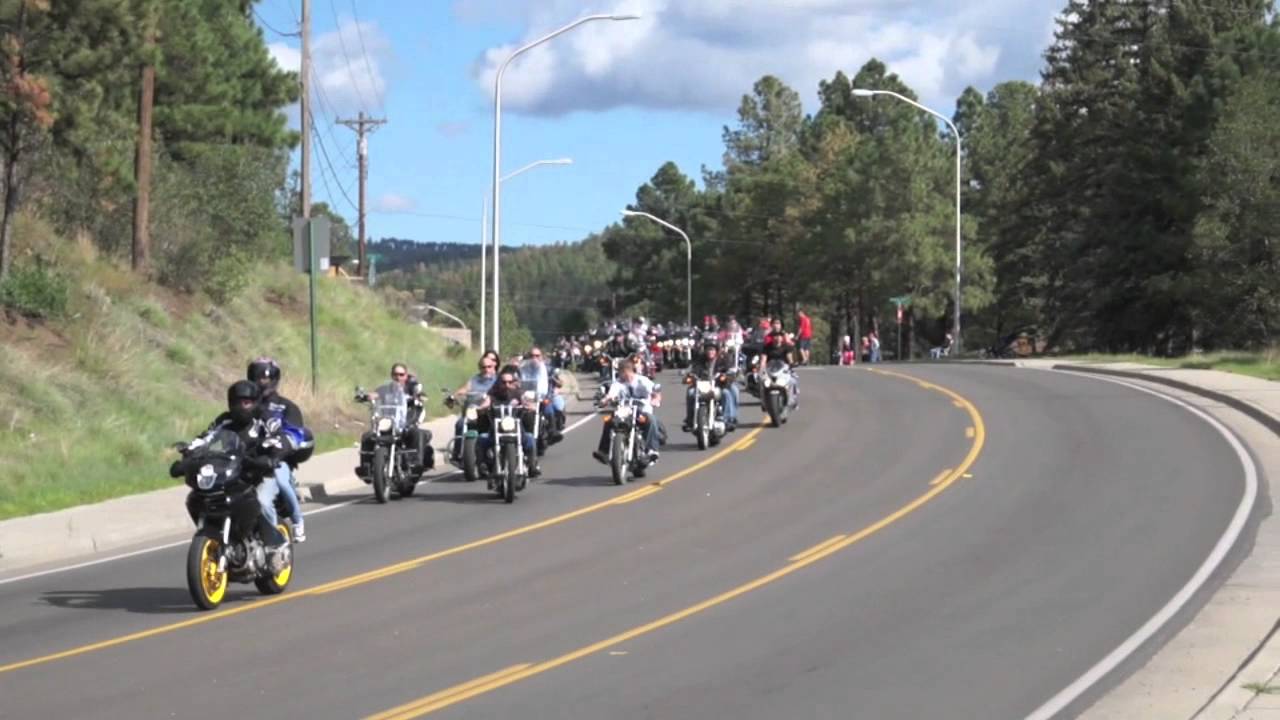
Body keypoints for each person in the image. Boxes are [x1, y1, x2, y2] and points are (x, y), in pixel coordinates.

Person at [180, 380, 289, 570]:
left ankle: (275, 548)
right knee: (202, 497)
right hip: (233, 473)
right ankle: (223, 537)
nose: (241, 406)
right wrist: (189, 451)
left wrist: (272, 456)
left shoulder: (264, 419)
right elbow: (206, 437)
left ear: (255, 403)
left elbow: (279, 438)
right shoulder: (224, 421)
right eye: (237, 402)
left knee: (261, 502)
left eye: (246, 402)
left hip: (261, 473)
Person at [247, 357, 309, 543]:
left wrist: (282, 444)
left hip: (276, 458)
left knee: (280, 482)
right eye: (255, 377)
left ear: (273, 379)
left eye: (263, 378)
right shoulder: (245, 404)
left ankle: (297, 521)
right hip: (248, 458)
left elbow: (295, 433)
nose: (259, 382)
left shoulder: (287, 407)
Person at [357, 363, 433, 483]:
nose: (398, 377)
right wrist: (365, 396)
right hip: (386, 424)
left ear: (406, 376)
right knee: (367, 436)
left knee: (416, 433)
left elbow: (420, 396)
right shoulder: (385, 389)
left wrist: (419, 397)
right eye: (395, 374)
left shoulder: (410, 390)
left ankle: (415, 464)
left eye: (401, 374)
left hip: (404, 426)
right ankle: (366, 469)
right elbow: (375, 394)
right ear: (391, 375)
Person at [593, 360, 662, 465]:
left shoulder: (642, 381)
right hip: (624, 410)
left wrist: (655, 399)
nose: (621, 375)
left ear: (628, 371)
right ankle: (604, 452)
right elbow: (611, 394)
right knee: (609, 421)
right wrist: (604, 400)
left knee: (651, 420)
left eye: (622, 372)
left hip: (642, 410)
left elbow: (656, 392)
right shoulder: (618, 383)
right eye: (619, 373)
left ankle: (652, 450)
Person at [477, 365, 540, 478]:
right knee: (481, 439)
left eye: (509, 382)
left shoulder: (518, 393)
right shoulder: (493, 395)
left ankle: (532, 466)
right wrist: (481, 408)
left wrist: (530, 406)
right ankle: (482, 465)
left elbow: (526, 401)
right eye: (504, 382)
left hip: (516, 429)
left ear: (513, 382)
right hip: (496, 429)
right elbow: (486, 402)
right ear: (499, 383)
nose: (507, 385)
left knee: (530, 439)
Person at [683, 342, 739, 432]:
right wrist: (690, 376)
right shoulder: (700, 359)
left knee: (726, 393)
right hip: (702, 386)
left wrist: (726, 376)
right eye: (708, 350)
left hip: (718, 386)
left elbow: (730, 371)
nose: (710, 352)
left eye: (712, 350)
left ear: (716, 351)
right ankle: (690, 420)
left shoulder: (723, 359)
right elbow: (694, 370)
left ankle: (728, 420)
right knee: (690, 393)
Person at [522, 347, 564, 443]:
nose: (534, 358)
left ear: (541, 357)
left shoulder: (548, 369)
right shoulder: (523, 369)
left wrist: (555, 380)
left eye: (537, 356)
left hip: (544, 397)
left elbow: (560, 382)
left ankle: (552, 432)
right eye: (532, 356)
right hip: (527, 398)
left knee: (551, 409)